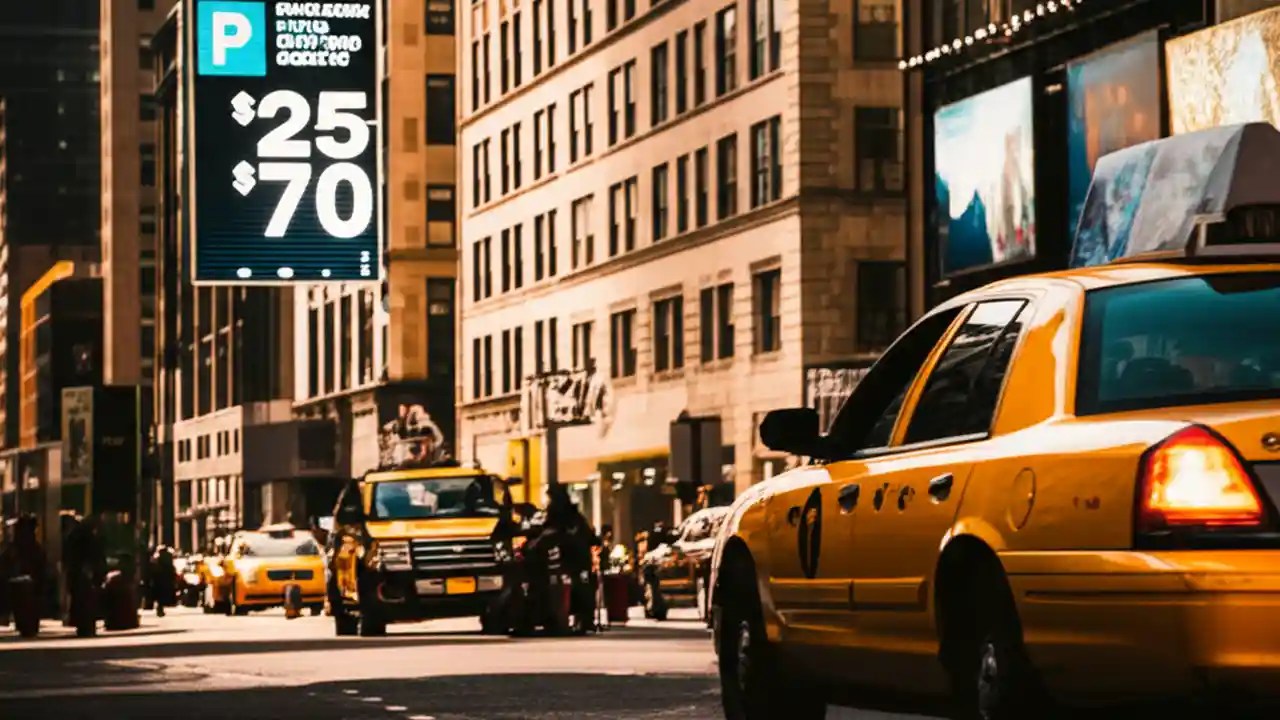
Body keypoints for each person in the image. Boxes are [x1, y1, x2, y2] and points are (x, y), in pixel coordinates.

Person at [64, 514, 106, 636]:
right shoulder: (89, 537)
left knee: (80, 600)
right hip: (85, 573)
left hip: (78, 573)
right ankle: (87, 626)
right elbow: (96, 555)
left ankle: (83, 626)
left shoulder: (75, 536)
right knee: (87, 601)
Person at [150, 545, 175, 617]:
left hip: (159, 578)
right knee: (163, 595)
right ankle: (161, 608)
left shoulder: (157, 558)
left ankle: (160, 608)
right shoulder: (168, 557)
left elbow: (153, 567)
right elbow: (171, 568)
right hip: (165, 578)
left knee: (159, 595)